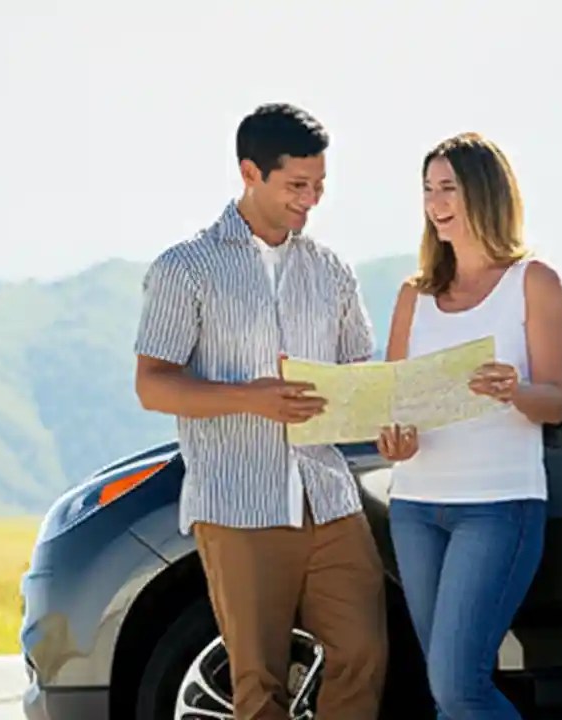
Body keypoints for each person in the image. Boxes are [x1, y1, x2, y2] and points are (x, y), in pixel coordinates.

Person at [133, 103, 387, 720]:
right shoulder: (184, 268)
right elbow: (153, 385)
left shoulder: (330, 270)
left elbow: (359, 372)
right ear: (250, 172)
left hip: (327, 496)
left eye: (319, 186)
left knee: (364, 653)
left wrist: (381, 408)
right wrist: (251, 398)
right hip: (239, 503)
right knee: (259, 683)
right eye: (297, 186)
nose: (311, 200)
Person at [376, 131, 562, 719]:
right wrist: (395, 440)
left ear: (484, 195)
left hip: (497, 507)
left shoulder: (533, 282)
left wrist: (515, 391)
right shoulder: (415, 296)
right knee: (448, 693)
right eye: (428, 189)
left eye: (449, 189)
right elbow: (396, 402)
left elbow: (557, 402)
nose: (435, 203)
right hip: (415, 509)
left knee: (459, 685)